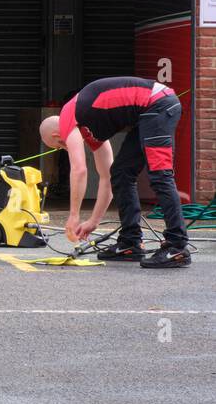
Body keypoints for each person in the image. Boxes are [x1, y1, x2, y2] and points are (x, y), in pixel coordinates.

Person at [39, 77, 189, 268]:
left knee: (160, 176)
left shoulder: (69, 116)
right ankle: (130, 242)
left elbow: (79, 169)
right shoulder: (90, 128)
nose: (65, 147)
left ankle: (177, 246)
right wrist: (93, 221)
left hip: (158, 104)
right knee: (121, 173)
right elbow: (107, 177)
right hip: (151, 109)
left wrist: (74, 216)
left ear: (57, 136)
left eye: (60, 146)